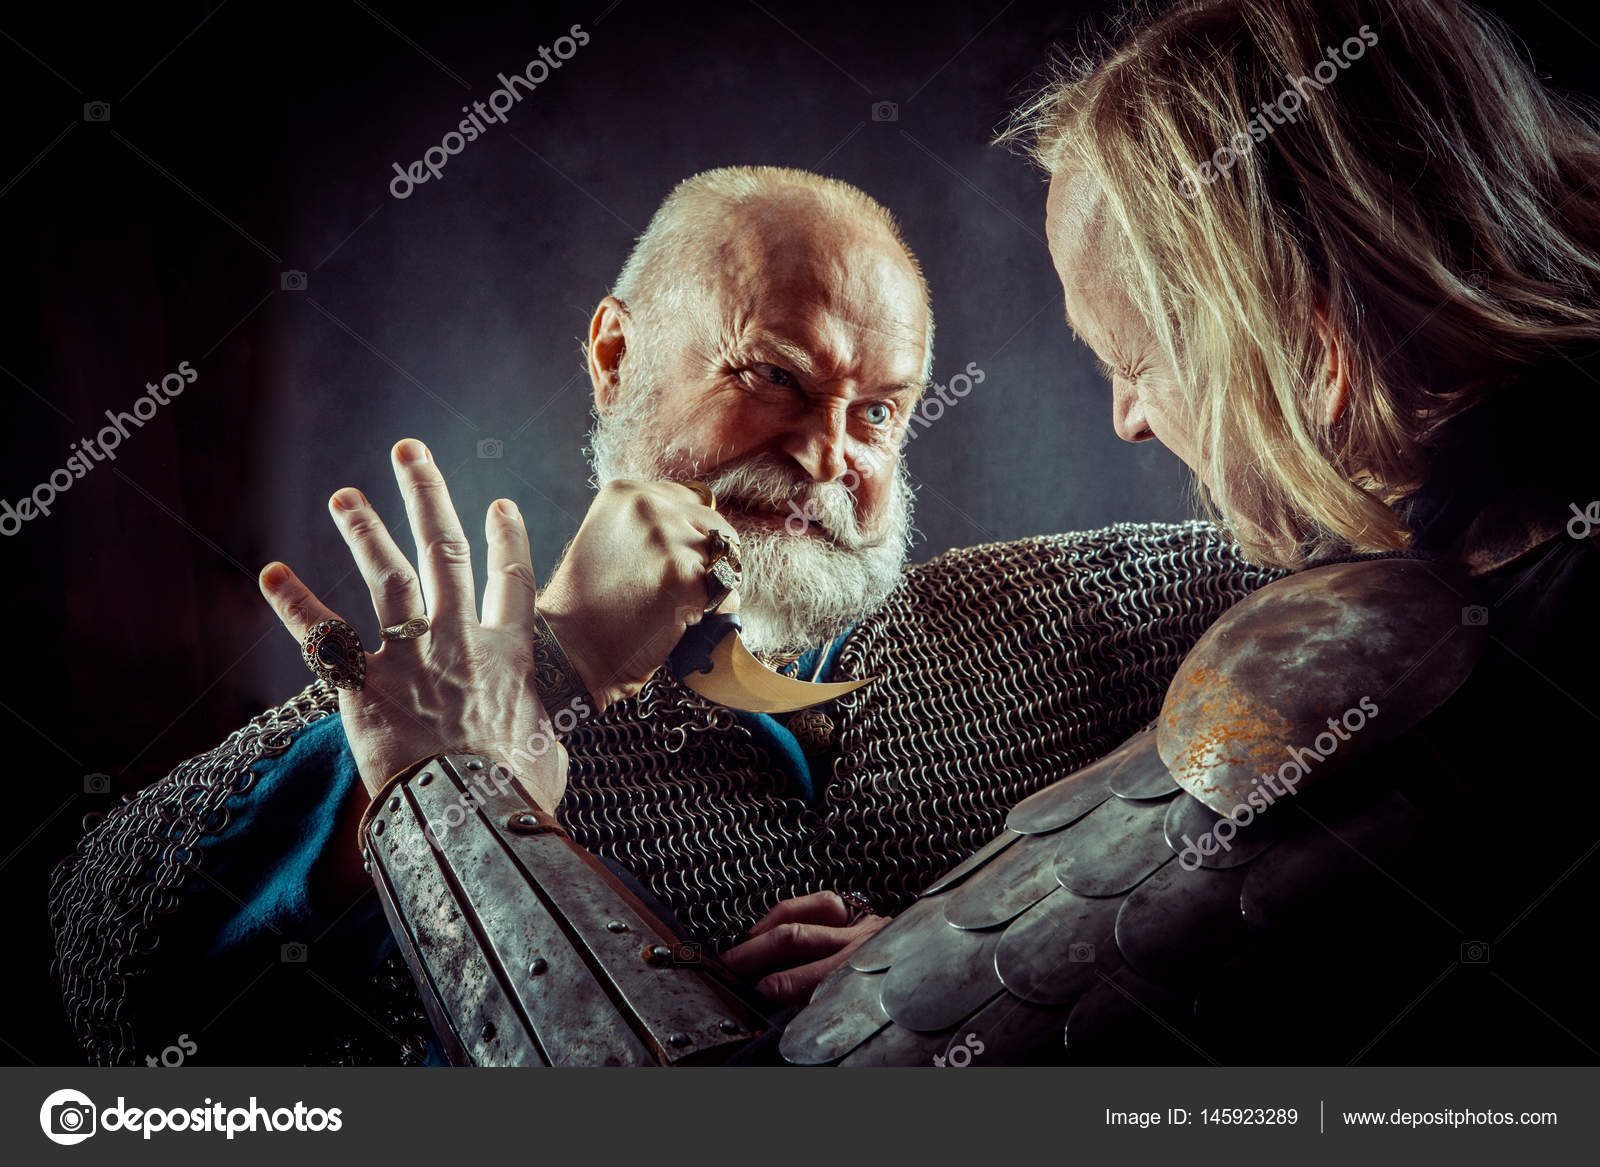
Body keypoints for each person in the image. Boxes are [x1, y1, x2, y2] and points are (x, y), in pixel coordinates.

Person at [49, 167, 1273, 1067]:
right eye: (775, 376)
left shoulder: (1066, 620)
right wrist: (550, 665)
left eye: (878, 413)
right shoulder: (468, 709)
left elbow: (1375, 582)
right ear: (616, 355)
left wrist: (950, 959)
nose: (829, 455)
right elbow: (114, 968)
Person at [790, 0, 1600, 1065]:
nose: (1128, 417)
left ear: (1303, 337)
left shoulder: (1473, 636)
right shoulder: (1503, 529)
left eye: (1133, 360)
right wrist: (954, 965)